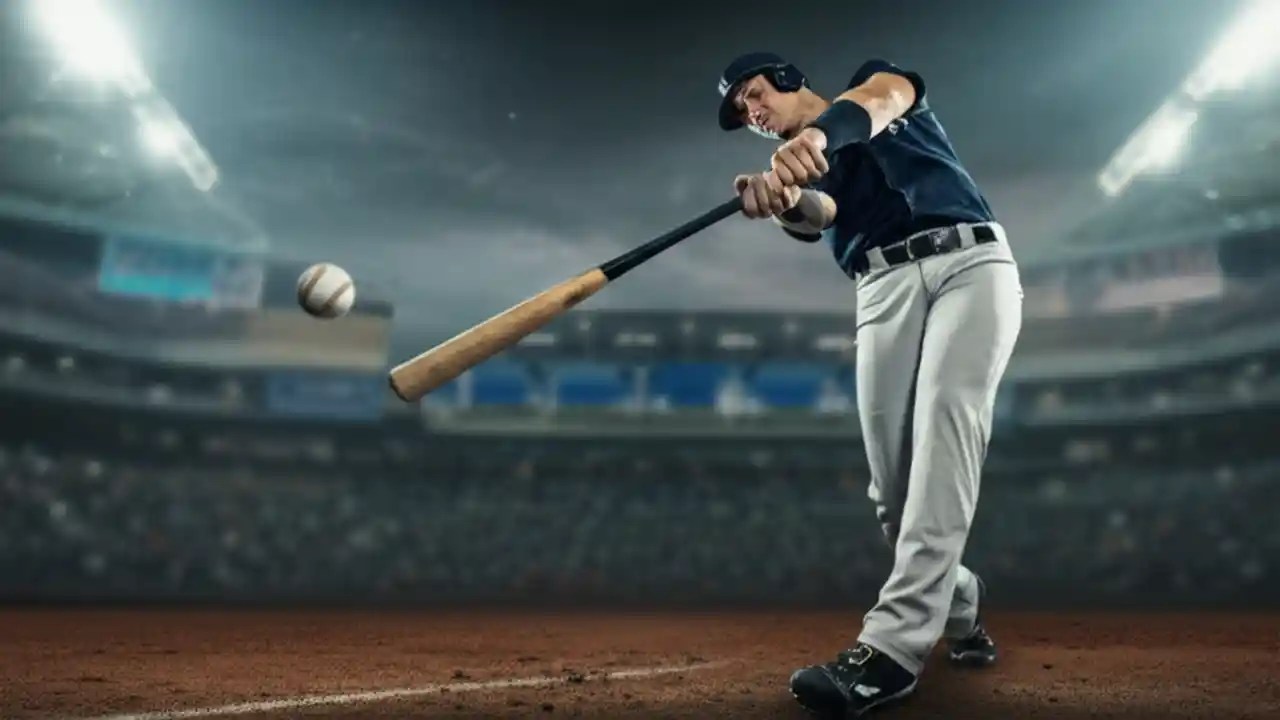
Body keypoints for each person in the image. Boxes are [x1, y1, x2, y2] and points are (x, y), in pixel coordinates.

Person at [715, 51, 1023, 717]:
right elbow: (820, 213)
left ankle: (889, 652)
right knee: (893, 496)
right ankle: (962, 607)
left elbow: (882, 101)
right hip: (880, 285)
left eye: (755, 93)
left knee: (946, 433)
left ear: (790, 78)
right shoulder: (802, 163)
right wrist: (781, 200)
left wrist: (816, 137)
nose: (753, 112)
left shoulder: (872, 89)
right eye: (742, 111)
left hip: (968, 262)